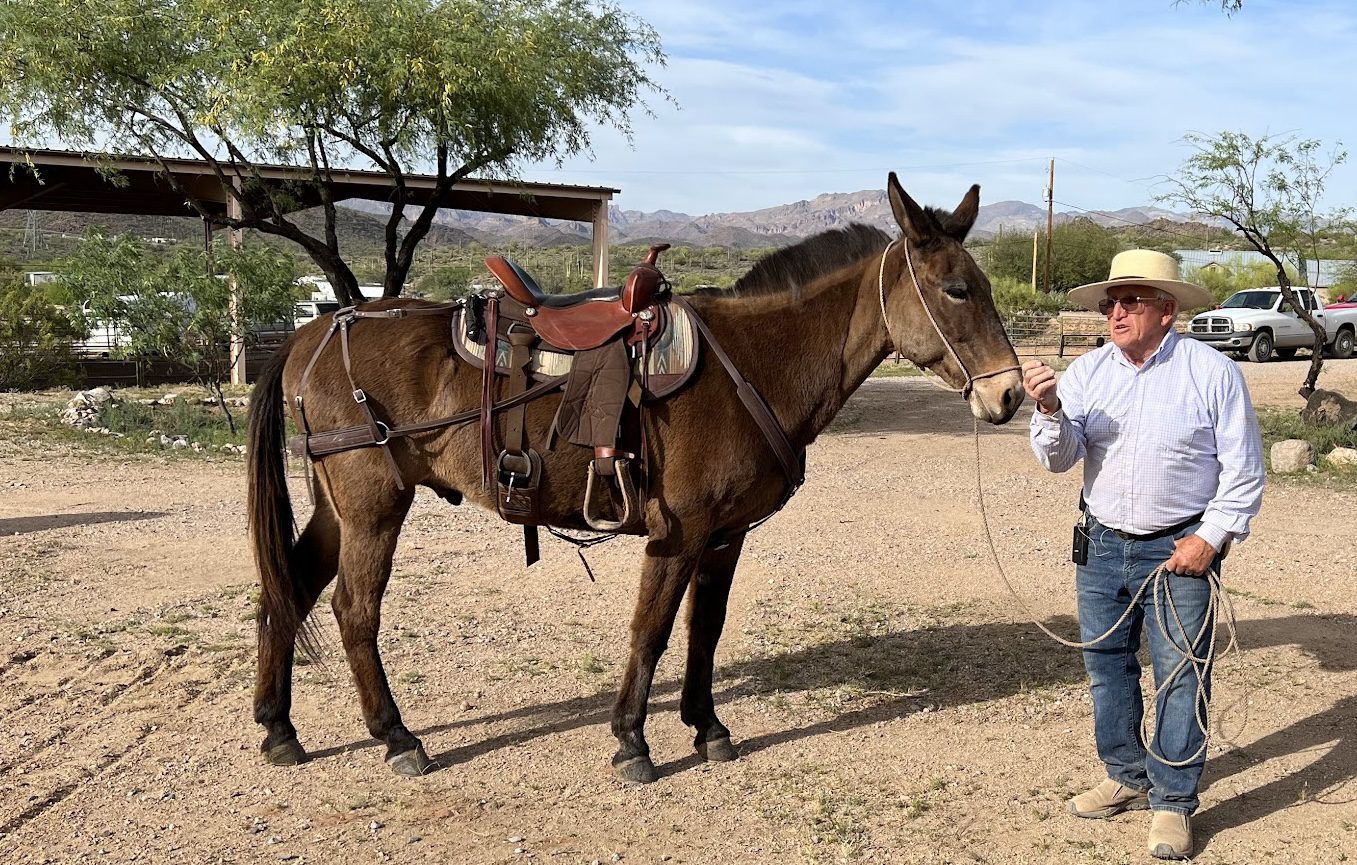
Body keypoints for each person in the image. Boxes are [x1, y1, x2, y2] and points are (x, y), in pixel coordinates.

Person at [1021, 250, 1265, 861]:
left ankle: (1174, 802)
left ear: (1167, 310)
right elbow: (1058, 459)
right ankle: (1127, 776)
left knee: (1181, 675)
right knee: (1107, 668)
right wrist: (1049, 409)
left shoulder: (1212, 373)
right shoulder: (1087, 373)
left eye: (1131, 301)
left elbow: (1243, 471)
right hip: (1102, 543)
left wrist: (1210, 538)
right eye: (1111, 303)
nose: (1116, 312)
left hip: (1179, 547)